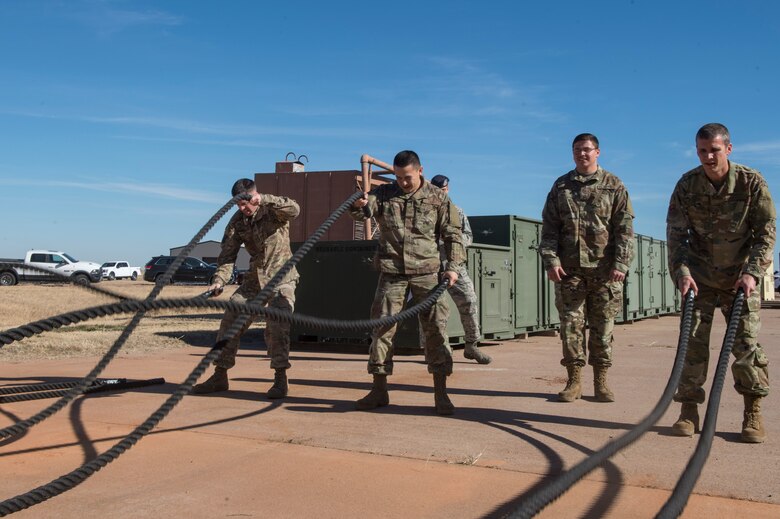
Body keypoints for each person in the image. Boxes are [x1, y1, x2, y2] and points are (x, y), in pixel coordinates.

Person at [667, 123, 776, 443]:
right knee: (692, 345)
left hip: (739, 279)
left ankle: (752, 411)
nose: (708, 157)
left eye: (714, 150)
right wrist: (682, 272)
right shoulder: (687, 185)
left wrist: (752, 272)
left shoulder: (751, 182)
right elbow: (676, 236)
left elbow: (766, 233)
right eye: (702, 151)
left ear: (728, 149)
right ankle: (688, 410)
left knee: (745, 346)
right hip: (699, 279)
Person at [350, 150, 465, 415]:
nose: (402, 182)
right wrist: (357, 205)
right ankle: (379, 390)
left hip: (428, 274)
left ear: (420, 171)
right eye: (398, 177)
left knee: (436, 330)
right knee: (382, 329)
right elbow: (363, 212)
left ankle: (441, 393)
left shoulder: (438, 198)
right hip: (392, 273)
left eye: (407, 177)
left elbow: (453, 236)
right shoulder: (384, 194)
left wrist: (453, 268)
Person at [540, 133, 635, 403]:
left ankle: (601, 381)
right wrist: (551, 260)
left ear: (597, 152)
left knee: (603, 330)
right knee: (571, 328)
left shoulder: (614, 185)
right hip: (570, 272)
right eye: (577, 150)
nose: (582, 154)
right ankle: (574, 381)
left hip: (605, 272)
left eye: (587, 149)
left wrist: (621, 263)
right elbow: (550, 228)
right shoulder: (561, 186)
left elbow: (625, 229)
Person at [193, 178, 300, 399]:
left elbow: (295, 209)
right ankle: (220, 375)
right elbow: (227, 256)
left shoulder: (273, 210)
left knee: (277, 322)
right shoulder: (236, 222)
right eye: (239, 205)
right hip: (254, 280)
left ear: (254, 195)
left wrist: (265, 199)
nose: (243, 208)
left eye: (246, 203)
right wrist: (219, 280)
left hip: (281, 276)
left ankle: (280, 379)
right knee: (232, 314)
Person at [429, 174, 491, 364]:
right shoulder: (425, 211)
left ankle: (472, 345)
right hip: (431, 266)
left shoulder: (457, 211)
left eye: (444, 189)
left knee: (469, 301)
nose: (441, 192)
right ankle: (436, 349)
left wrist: (453, 240)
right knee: (434, 309)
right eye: (437, 189)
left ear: (448, 189)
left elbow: (468, 236)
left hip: (455, 265)